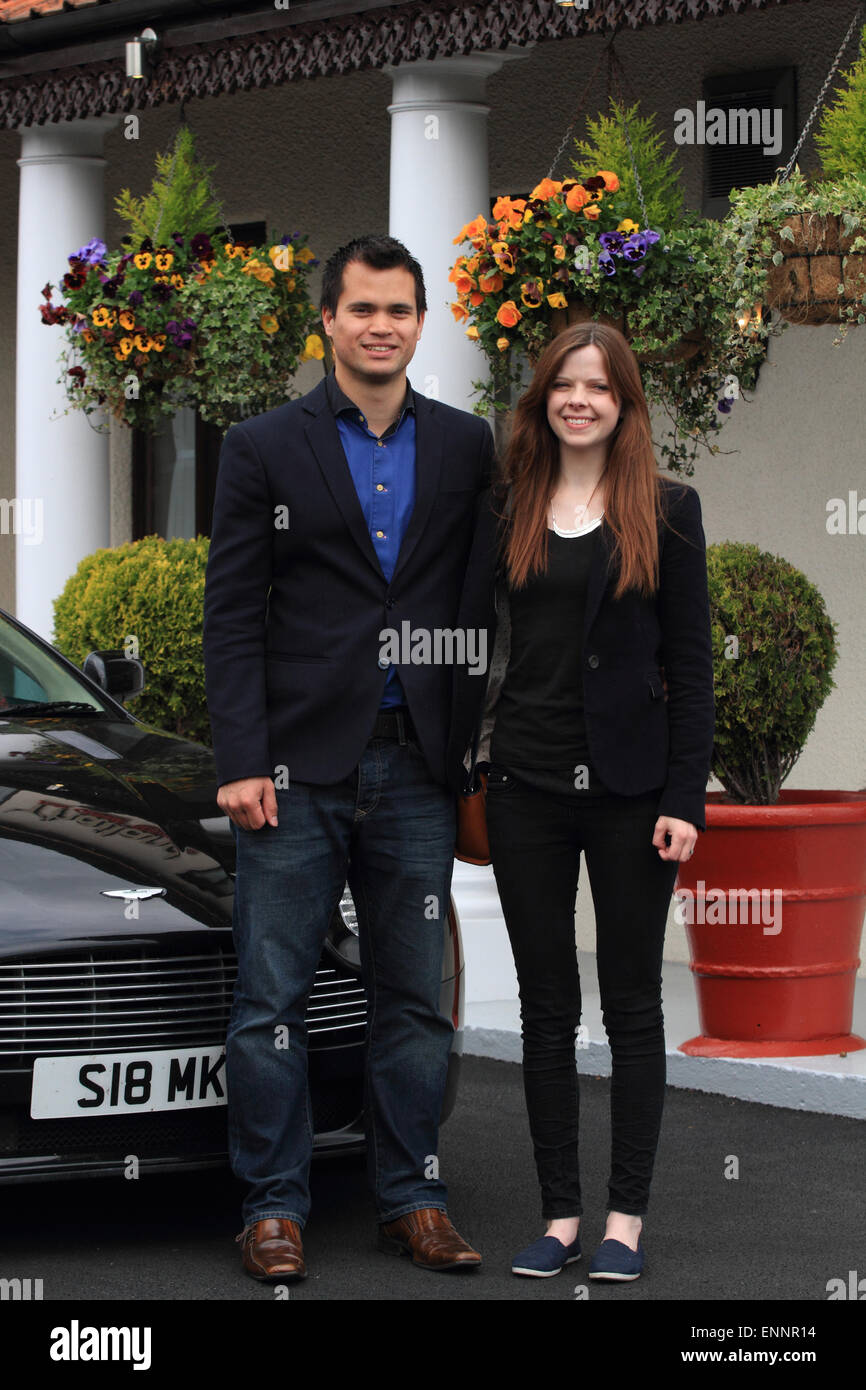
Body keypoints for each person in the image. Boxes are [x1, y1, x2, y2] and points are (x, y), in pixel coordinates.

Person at [203, 234, 494, 1281]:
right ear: (326, 319)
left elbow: (485, 598)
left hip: (417, 768)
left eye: (399, 310)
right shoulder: (261, 447)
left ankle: (411, 1198)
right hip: (293, 772)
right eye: (362, 308)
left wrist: (477, 742)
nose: (381, 326)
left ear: (420, 323)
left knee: (413, 998)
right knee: (271, 1001)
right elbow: (233, 612)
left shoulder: (465, 445)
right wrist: (243, 757)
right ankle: (273, 1209)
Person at [465, 322, 714, 1282]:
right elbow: (476, 641)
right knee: (545, 1008)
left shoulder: (671, 509)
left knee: (633, 1007)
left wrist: (685, 797)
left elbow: (692, 668)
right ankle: (560, 1216)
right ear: (544, 398)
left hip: (632, 796)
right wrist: (468, 761)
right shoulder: (509, 506)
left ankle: (624, 1223)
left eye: (600, 387)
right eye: (565, 384)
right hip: (525, 786)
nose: (580, 400)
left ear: (624, 404)